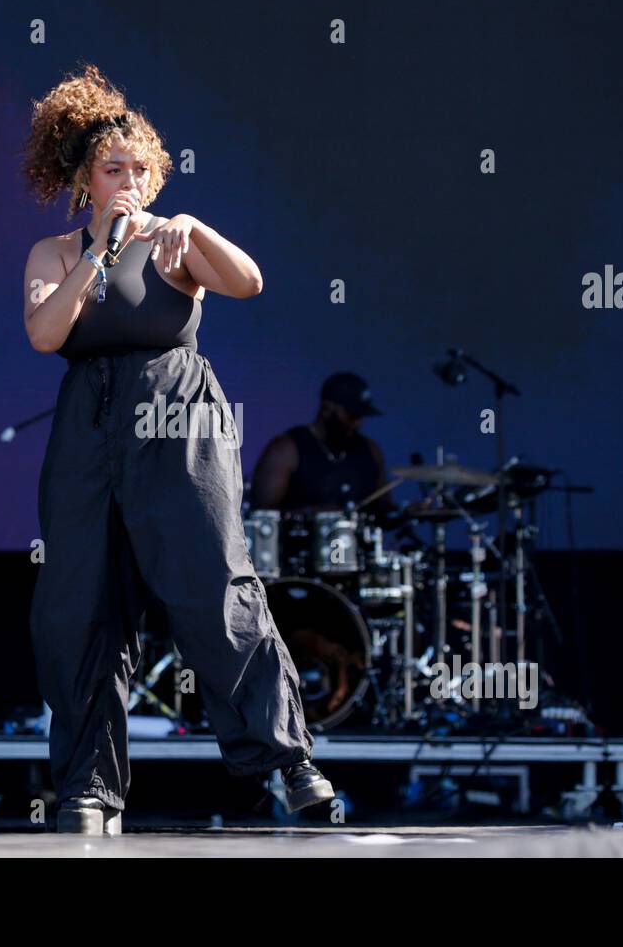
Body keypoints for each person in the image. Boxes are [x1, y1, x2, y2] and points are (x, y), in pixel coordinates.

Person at [20, 64, 333, 834]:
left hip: (176, 421)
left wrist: (192, 228)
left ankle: (289, 763)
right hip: (88, 430)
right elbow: (44, 334)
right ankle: (88, 791)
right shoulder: (56, 253)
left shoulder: (174, 241)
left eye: (138, 168)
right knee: (78, 607)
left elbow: (250, 282)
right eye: (112, 168)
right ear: (84, 179)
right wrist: (98, 254)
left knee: (212, 586)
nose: (128, 178)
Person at [249, 371, 395, 516]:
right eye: (352, 415)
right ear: (326, 408)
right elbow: (261, 516)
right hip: (303, 539)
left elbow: (384, 508)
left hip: (360, 539)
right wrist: (312, 514)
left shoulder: (371, 449)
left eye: (361, 416)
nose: (358, 423)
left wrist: (405, 512)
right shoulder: (286, 449)